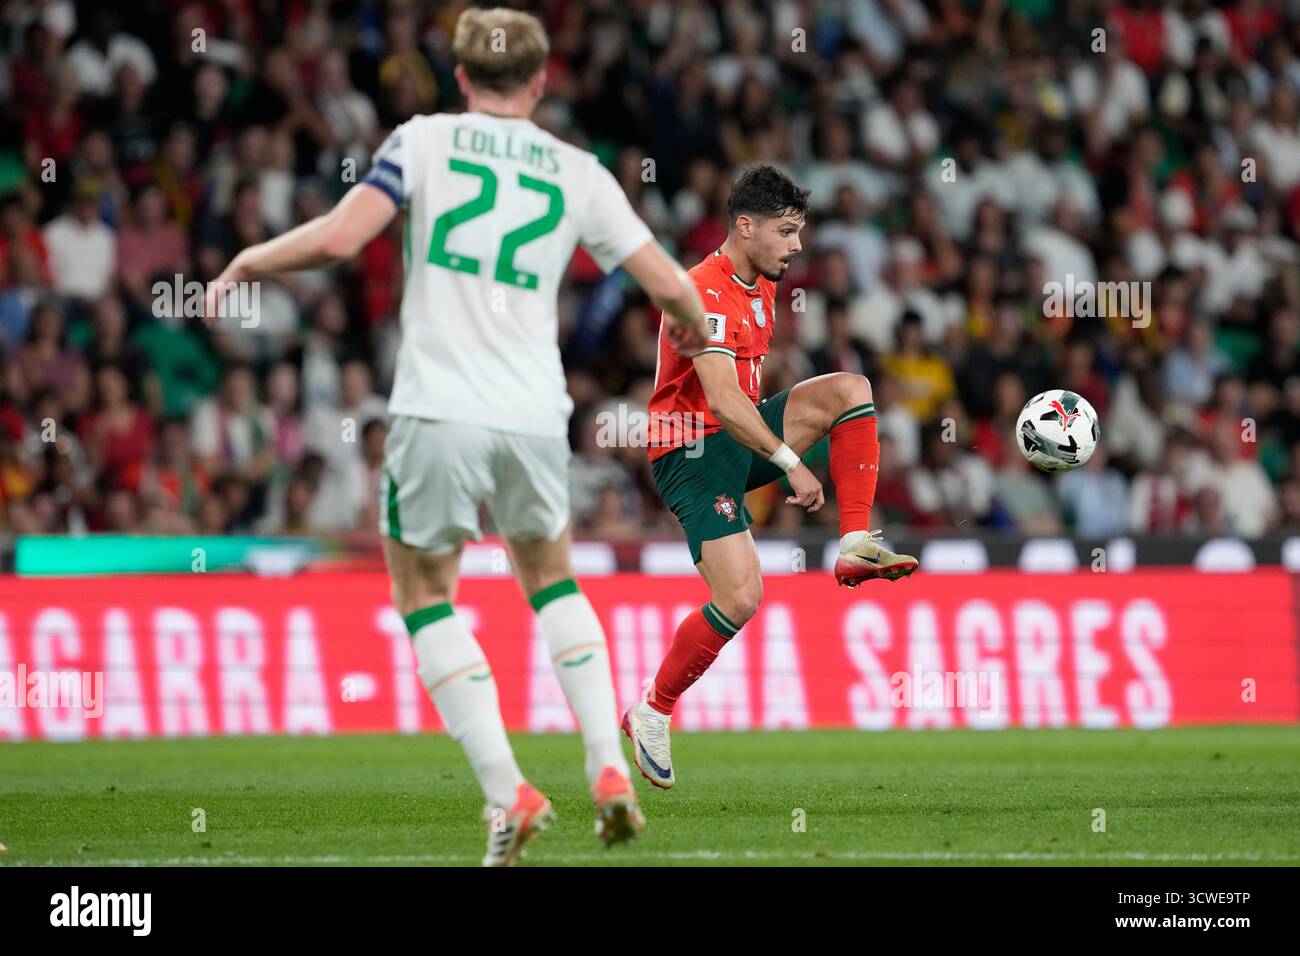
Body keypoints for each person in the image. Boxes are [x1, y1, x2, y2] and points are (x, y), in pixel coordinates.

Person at [205, 7, 709, 866]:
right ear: (543, 80)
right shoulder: (577, 169)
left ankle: (507, 792)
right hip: (533, 414)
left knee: (424, 594)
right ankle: (605, 768)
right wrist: (696, 330)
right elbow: (668, 282)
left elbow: (339, 238)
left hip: (437, 408)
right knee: (551, 579)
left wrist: (250, 259)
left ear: (462, 77)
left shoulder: (424, 140)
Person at [626, 164, 919, 790]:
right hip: (691, 453)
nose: (797, 245)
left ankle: (853, 544)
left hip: (736, 434)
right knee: (741, 597)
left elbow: (745, 400)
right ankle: (651, 710)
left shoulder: (761, 279)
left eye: (800, 232)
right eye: (786, 232)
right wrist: (792, 465)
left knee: (850, 389)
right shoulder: (701, 291)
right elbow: (726, 401)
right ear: (745, 226)